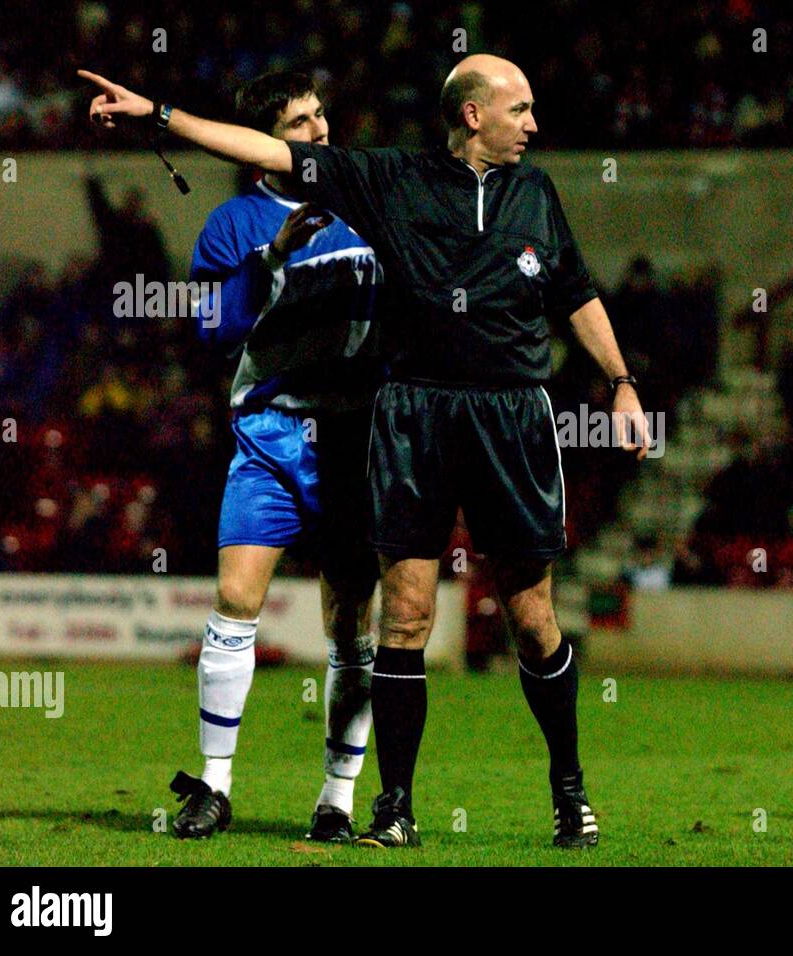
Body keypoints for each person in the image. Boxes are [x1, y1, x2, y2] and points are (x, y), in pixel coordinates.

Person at [79, 52, 650, 850]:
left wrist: (622, 379)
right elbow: (261, 165)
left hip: (484, 421)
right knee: (394, 615)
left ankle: (560, 791)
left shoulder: (532, 193)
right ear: (473, 114)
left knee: (523, 618)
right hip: (389, 419)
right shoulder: (384, 182)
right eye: (519, 109)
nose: (534, 124)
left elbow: (575, 290)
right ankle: (373, 804)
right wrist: (158, 117)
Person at [159, 72, 385, 843]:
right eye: (300, 121)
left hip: (354, 436)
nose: (320, 130)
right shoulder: (233, 222)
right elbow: (212, 332)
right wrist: (269, 259)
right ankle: (215, 786)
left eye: (322, 114)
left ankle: (337, 800)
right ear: (265, 146)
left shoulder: (368, 203)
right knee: (236, 598)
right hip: (271, 432)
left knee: (352, 622)